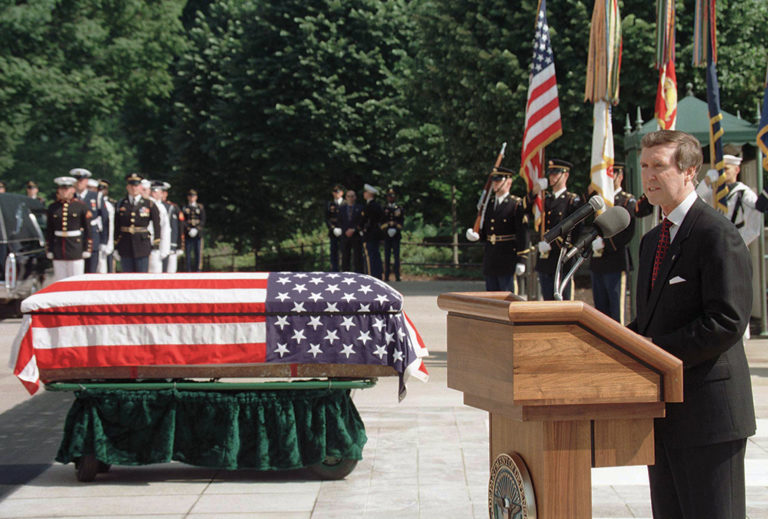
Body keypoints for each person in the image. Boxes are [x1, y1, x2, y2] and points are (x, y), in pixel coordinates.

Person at [628, 129, 755, 519]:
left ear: (689, 172)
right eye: (645, 166)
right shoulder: (652, 240)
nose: (649, 176)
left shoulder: (716, 233)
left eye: (660, 167)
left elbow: (726, 321)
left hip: (709, 415)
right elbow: (648, 320)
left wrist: (651, 349)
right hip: (664, 413)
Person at [528, 159, 582, 300]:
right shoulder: (544, 200)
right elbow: (526, 216)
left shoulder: (572, 200)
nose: (551, 177)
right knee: (547, 304)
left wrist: (552, 243)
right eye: (550, 173)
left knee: (563, 302)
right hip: (545, 261)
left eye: (556, 173)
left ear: (565, 175)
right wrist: (534, 192)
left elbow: (575, 230)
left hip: (561, 259)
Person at [588, 164, 636, 323]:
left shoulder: (626, 200)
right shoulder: (598, 197)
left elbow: (627, 232)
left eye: (612, 172)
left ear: (620, 176)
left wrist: (606, 243)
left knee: (616, 313)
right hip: (597, 261)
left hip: (615, 260)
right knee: (600, 312)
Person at [466, 167, 528, 292]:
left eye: (499, 181)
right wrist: (476, 235)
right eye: (494, 180)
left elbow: (523, 234)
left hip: (507, 259)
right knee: (492, 301)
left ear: (508, 182)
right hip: (491, 258)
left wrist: (522, 260)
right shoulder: (489, 204)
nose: (495, 183)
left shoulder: (516, 204)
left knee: (507, 299)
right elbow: (487, 232)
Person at [695, 154, 762, 246]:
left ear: (737, 170)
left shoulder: (745, 194)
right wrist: (707, 180)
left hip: (734, 245)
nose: (722, 173)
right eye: (719, 170)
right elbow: (695, 201)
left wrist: (735, 244)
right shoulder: (713, 192)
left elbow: (754, 228)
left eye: (726, 169)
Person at [45, 176, 92, 281]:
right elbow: (49, 230)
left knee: (76, 279)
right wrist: (49, 249)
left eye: (67, 189)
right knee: (60, 279)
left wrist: (87, 248)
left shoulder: (80, 206)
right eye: (62, 189)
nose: (64, 192)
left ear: (73, 190)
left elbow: (88, 229)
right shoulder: (53, 207)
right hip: (58, 248)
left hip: (75, 247)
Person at [114, 172, 161, 273]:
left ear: (140, 187)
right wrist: (115, 245)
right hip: (125, 245)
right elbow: (116, 225)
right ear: (127, 187)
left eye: (136, 185)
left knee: (142, 276)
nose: (134, 188)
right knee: (127, 277)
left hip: (142, 245)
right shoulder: (120, 204)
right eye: (131, 185)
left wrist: (156, 243)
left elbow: (157, 225)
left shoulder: (149, 204)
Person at [70, 168, 107, 274]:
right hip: (75, 240)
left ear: (86, 181)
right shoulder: (70, 197)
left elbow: (105, 219)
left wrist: (104, 241)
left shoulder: (95, 196)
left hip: (92, 238)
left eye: (81, 180)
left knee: (91, 272)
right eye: (77, 180)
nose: (79, 183)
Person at [359, 183, 383, 279]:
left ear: (369, 194)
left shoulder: (369, 206)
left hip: (369, 234)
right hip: (375, 234)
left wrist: (362, 228)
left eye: (365, 192)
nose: (364, 194)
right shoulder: (377, 205)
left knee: (369, 256)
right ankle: (378, 274)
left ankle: (370, 275)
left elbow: (367, 220)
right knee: (376, 254)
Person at [381, 187, 404, 282]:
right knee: (386, 256)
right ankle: (386, 276)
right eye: (389, 196)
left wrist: (395, 226)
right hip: (386, 235)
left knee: (396, 256)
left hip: (396, 234)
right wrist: (387, 227)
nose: (391, 198)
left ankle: (397, 275)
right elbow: (381, 222)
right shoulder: (384, 208)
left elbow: (402, 222)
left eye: (393, 196)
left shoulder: (399, 208)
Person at [161, 182, 184, 273]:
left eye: (163, 192)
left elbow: (178, 227)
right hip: (159, 245)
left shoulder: (172, 207)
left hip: (171, 244)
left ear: (166, 194)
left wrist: (179, 245)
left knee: (171, 271)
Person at [148, 181, 171, 273]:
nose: (162, 194)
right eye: (160, 192)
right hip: (150, 244)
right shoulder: (151, 205)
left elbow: (165, 229)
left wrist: (164, 247)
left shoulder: (161, 206)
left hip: (156, 245)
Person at [339, 189, 363, 272]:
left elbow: (362, 221)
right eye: (348, 196)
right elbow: (340, 221)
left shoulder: (360, 208)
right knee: (345, 257)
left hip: (356, 235)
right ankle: (345, 275)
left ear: (355, 197)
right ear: (346, 197)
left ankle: (359, 276)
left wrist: (354, 229)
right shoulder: (341, 209)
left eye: (352, 196)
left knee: (358, 257)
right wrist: (345, 230)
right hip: (345, 236)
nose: (350, 198)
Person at [182, 189, 205, 271]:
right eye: (190, 196)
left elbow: (202, 220)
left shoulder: (200, 207)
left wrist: (197, 229)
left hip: (198, 234)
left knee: (198, 253)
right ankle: (188, 269)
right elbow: (183, 220)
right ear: (188, 197)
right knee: (188, 253)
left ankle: (198, 269)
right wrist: (188, 229)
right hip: (188, 233)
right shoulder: (185, 207)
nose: (192, 198)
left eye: (194, 196)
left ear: (196, 197)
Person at [97, 179, 115, 273]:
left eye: (103, 189)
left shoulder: (111, 204)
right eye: (99, 189)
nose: (100, 191)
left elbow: (112, 225)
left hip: (108, 239)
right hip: (97, 238)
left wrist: (111, 243)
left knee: (108, 268)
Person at [325, 184, 345, 272]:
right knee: (333, 253)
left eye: (337, 192)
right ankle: (334, 271)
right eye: (334, 192)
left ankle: (345, 271)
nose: (336, 194)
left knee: (344, 252)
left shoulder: (345, 203)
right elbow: (327, 218)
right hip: (333, 232)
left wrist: (342, 228)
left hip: (344, 232)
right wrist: (333, 228)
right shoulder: (330, 204)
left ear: (341, 193)